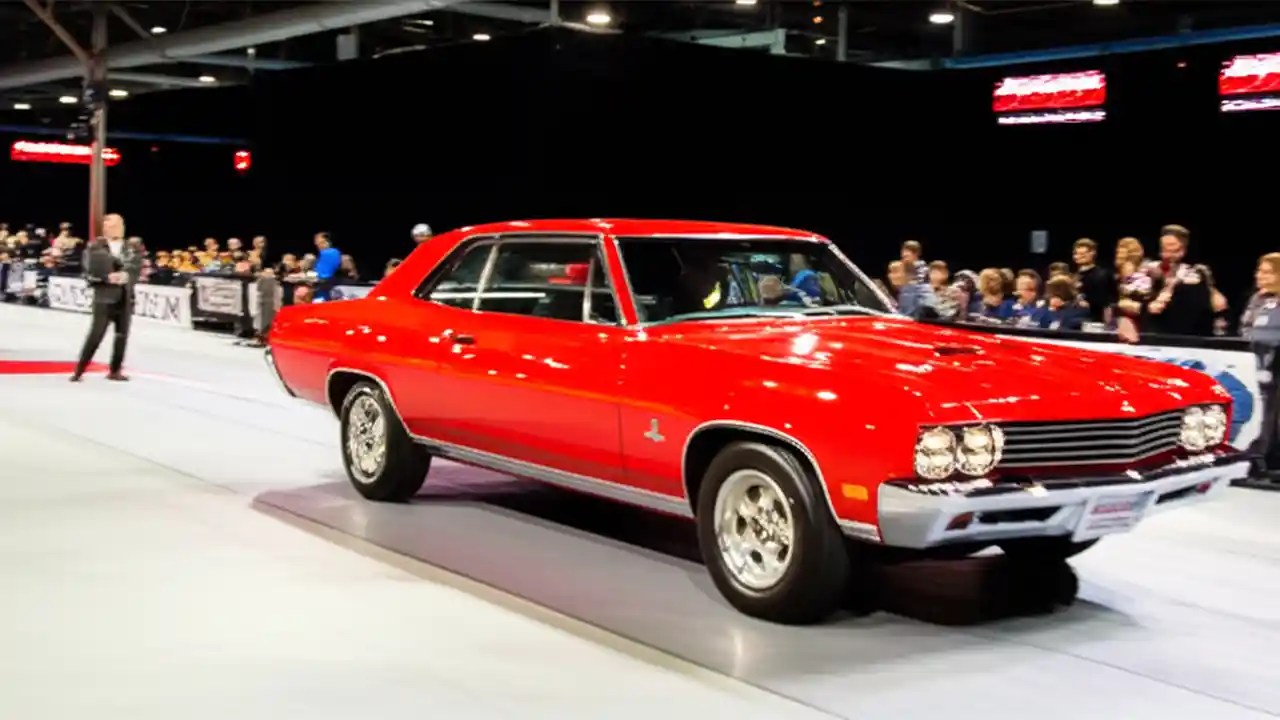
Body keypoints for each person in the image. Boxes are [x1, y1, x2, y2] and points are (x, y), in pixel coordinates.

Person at [71, 213, 141, 382]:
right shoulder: (95, 246)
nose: (119, 227)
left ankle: (115, 370)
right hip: (104, 297)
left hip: (125, 298)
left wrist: (126, 276)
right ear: (106, 227)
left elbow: (136, 268)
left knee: (122, 335)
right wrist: (105, 278)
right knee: (96, 335)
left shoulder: (131, 248)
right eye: (114, 224)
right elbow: (88, 271)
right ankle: (79, 370)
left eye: (120, 224)